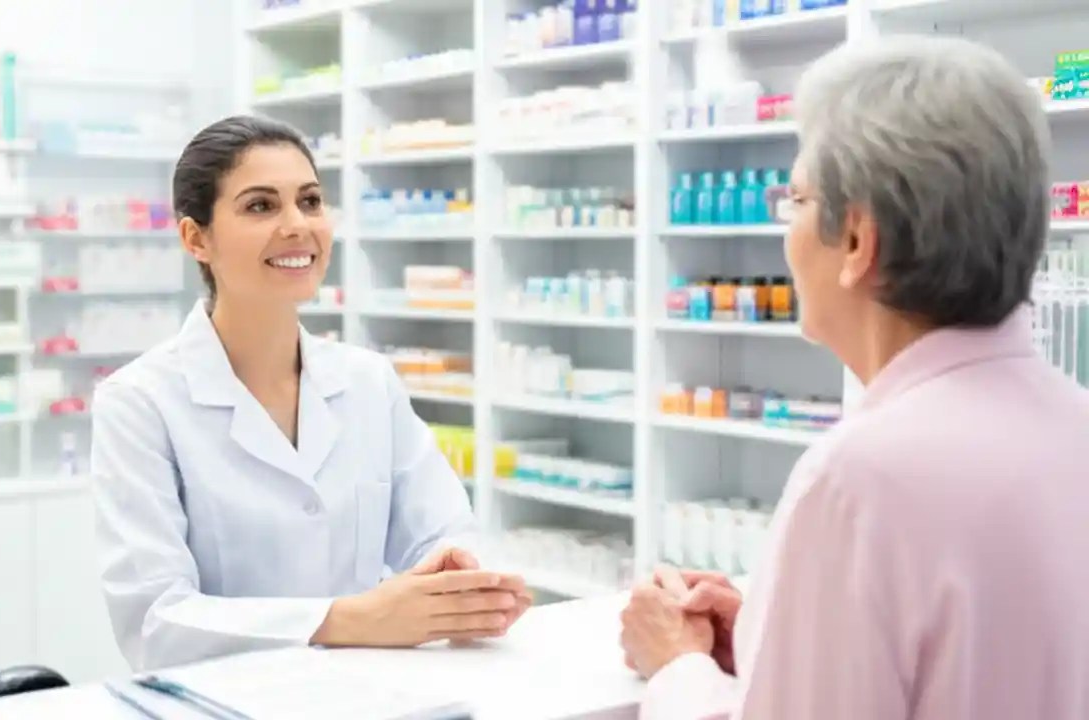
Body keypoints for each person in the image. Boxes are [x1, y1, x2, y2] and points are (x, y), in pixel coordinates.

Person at [620, 36, 1089, 719]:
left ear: (857, 241)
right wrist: (770, 637)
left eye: (797, 201)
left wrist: (678, 668)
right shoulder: (1075, 423)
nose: (789, 234)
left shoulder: (860, 480)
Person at [91, 115, 531, 671]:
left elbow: (442, 530)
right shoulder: (140, 402)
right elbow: (154, 621)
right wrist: (352, 619)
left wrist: (467, 582)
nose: (298, 225)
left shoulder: (369, 381)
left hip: (369, 691)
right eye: (260, 206)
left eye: (311, 201)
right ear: (196, 238)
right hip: (227, 704)